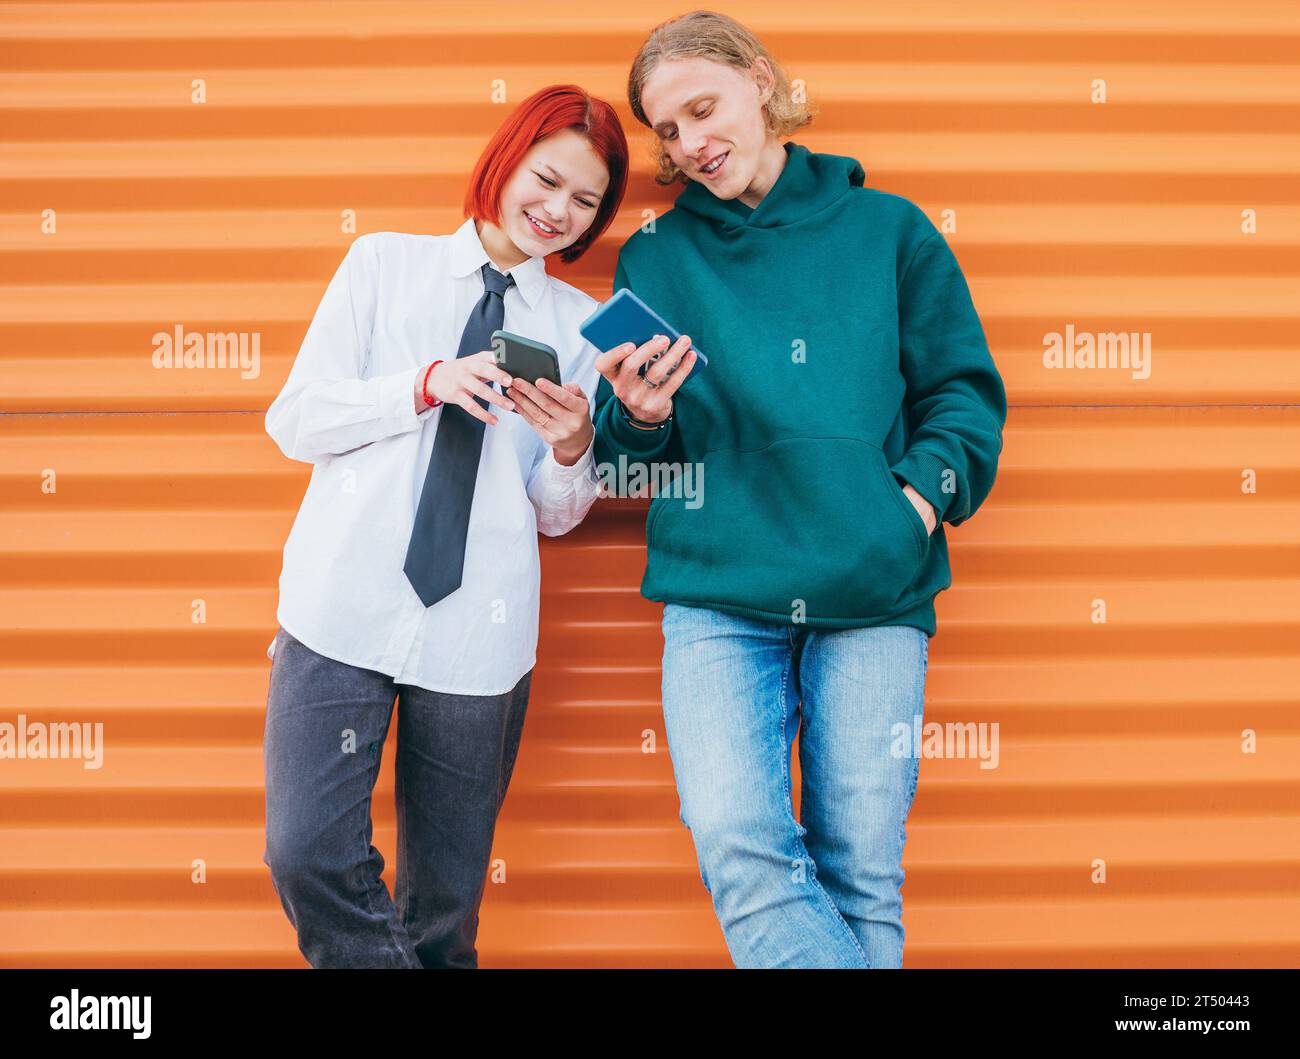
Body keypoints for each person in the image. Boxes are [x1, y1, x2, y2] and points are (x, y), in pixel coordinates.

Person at [592, 12, 1007, 968]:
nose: (691, 144)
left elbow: (962, 393)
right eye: (668, 130)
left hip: (875, 585)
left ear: (762, 83)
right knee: (738, 838)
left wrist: (913, 502)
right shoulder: (654, 258)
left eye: (703, 110)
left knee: (860, 867)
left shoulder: (889, 230)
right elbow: (630, 463)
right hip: (717, 596)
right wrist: (643, 417)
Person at [261, 84, 628, 967]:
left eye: (585, 202)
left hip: (480, 639)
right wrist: (422, 384)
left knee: (445, 911)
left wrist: (577, 447)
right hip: (342, 611)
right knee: (306, 852)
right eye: (546, 181)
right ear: (504, 161)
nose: (557, 212)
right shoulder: (381, 264)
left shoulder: (583, 327)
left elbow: (552, 511)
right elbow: (296, 419)